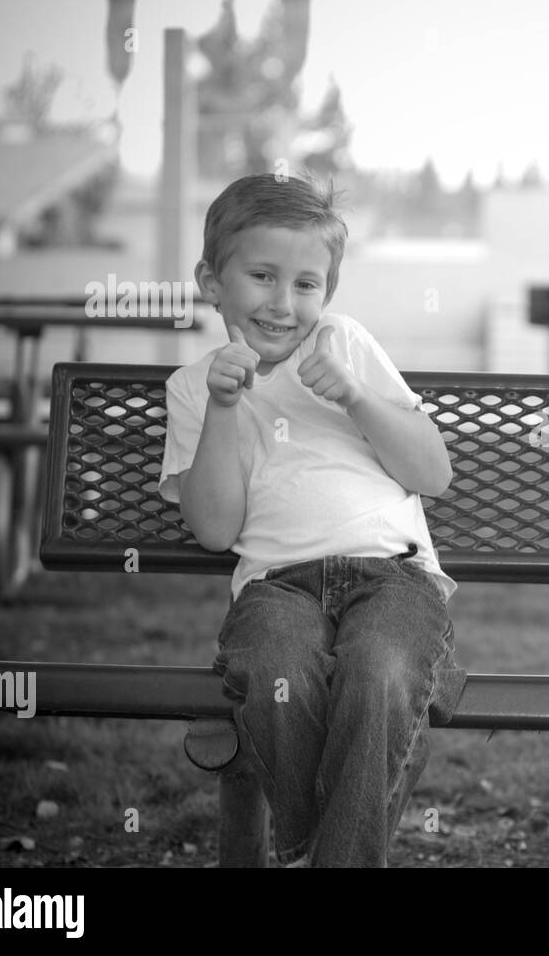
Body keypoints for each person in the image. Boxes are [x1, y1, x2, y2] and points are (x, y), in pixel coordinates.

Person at [159, 172, 466, 867]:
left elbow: (434, 475)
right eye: (262, 276)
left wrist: (357, 396)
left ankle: (307, 856)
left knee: (381, 672)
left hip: (393, 580)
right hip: (276, 586)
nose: (283, 303)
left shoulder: (345, 344)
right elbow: (214, 528)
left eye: (306, 284)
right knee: (278, 671)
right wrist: (225, 410)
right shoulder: (192, 389)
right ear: (212, 282)